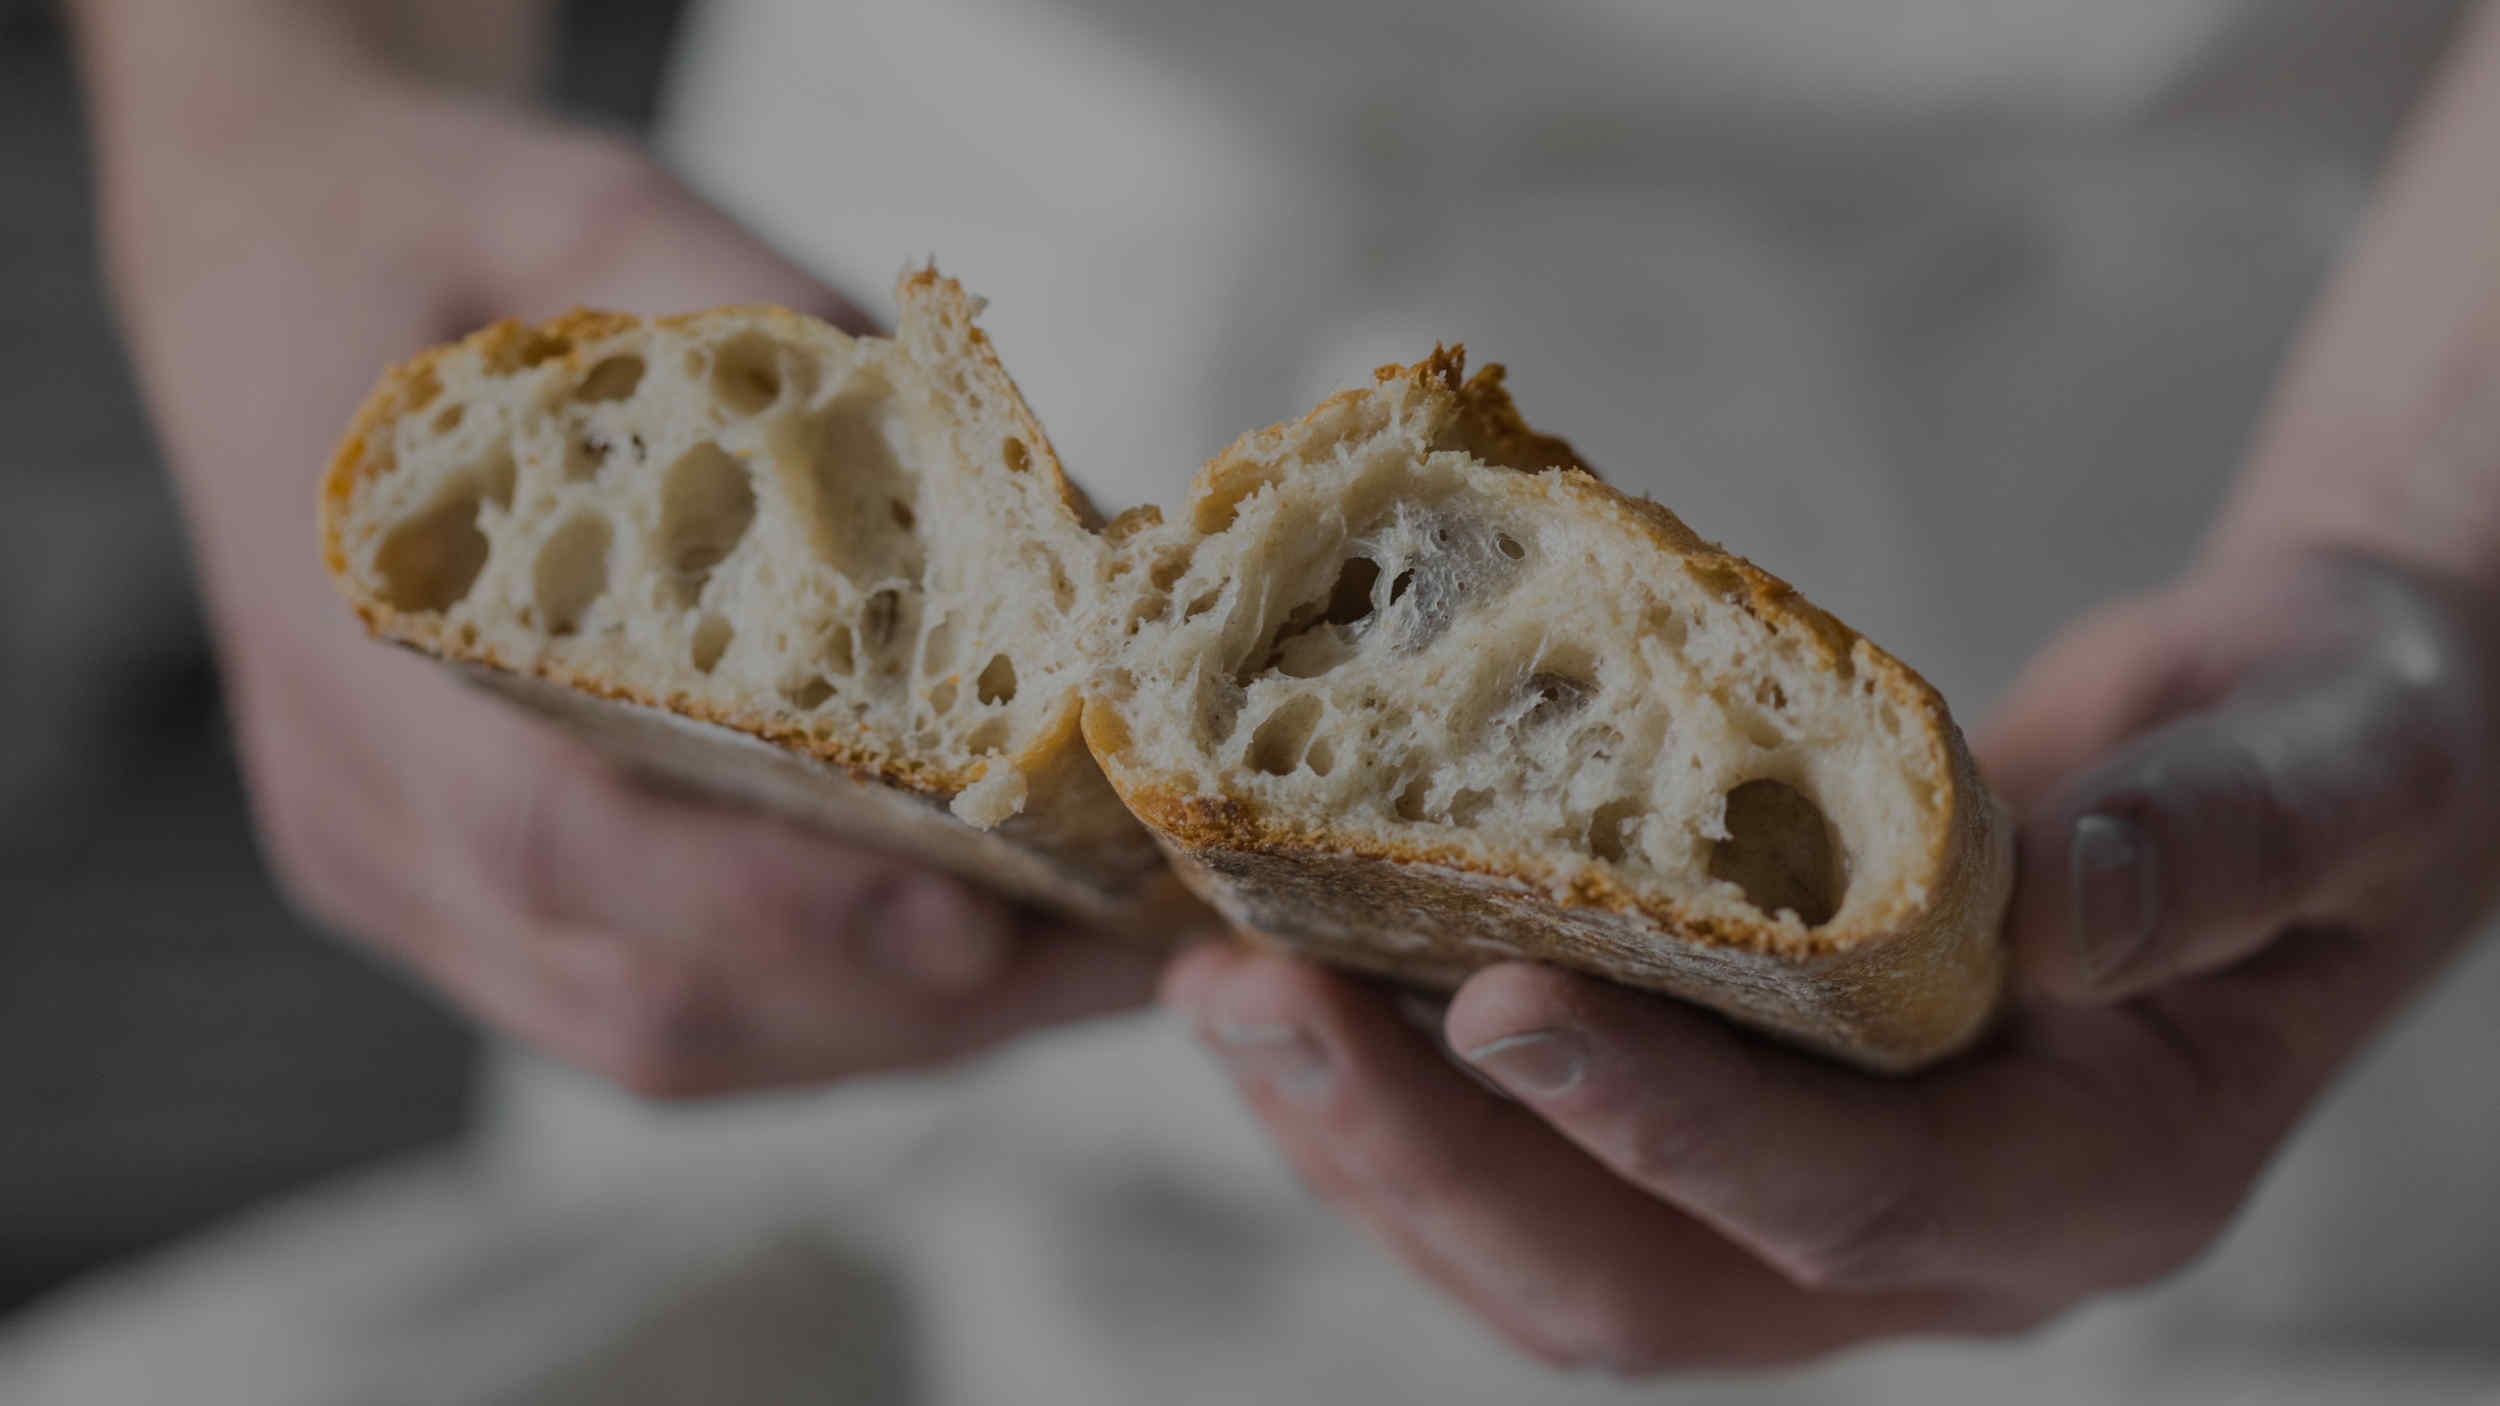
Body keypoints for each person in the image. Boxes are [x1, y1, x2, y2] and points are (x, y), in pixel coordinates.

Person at [22, 0, 2500, 1399]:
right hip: (881, 465)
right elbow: (277, 108)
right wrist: (269, 135)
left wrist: (2429, 556)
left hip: (2221, 586)